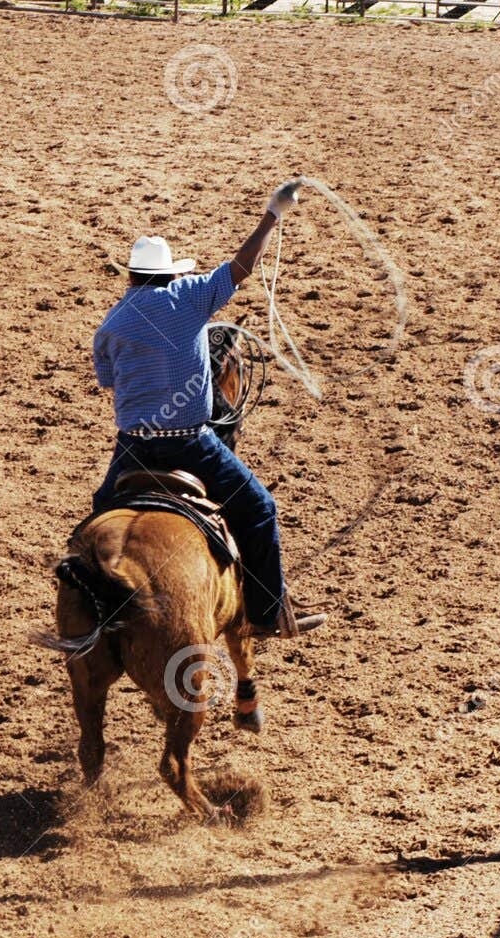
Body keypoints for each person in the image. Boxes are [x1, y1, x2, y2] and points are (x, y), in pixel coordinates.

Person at [90, 178, 324, 638]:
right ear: (170, 276)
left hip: (134, 448)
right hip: (191, 445)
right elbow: (242, 266)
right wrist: (272, 214)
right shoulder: (190, 298)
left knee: (97, 516)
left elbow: (111, 383)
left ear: (132, 277)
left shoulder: (110, 325)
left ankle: (94, 605)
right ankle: (266, 615)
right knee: (259, 508)